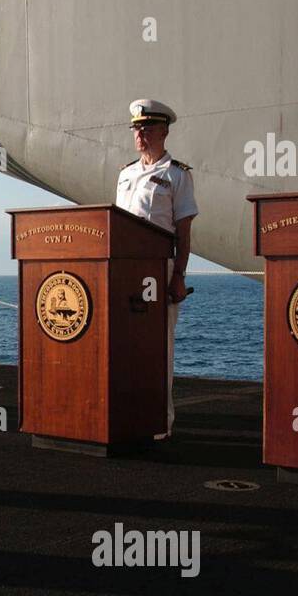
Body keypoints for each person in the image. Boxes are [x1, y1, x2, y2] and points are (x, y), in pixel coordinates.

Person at [114, 99, 198, 440]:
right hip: (122, 269)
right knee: (124, 345)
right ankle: (126, 415)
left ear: (164, 131)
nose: (140, 134)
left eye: (147, 128)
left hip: (158, 269)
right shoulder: (126, 174)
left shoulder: (177, 175)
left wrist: (178, 275)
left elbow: (184, 231)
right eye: (137, 128)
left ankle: (159, 422)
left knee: (157, 347)